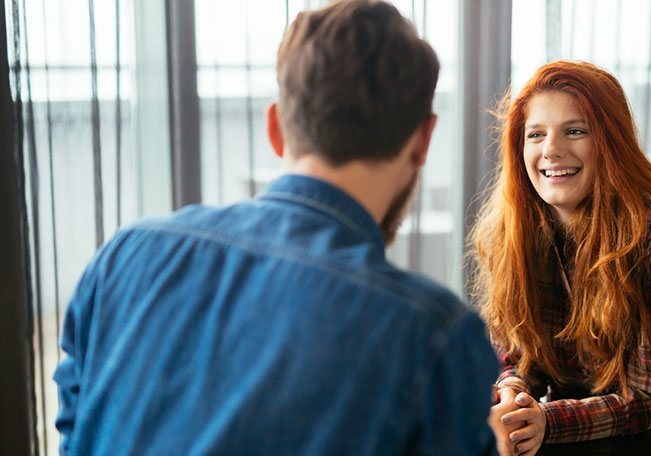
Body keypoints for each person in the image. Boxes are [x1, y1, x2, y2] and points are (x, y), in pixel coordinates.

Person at [54, 1, 499, 454]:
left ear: (275, 127)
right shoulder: (433, 336)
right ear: (423, 141)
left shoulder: (125, 254)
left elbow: (75, 432)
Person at [469, 60, 651, 455]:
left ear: (609, 141)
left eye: (574, 131)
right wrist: (513, 401)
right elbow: (517, 358)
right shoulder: (511, 233)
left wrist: (546, 421)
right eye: (535, 134)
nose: (551, 150)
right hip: (572, 439)